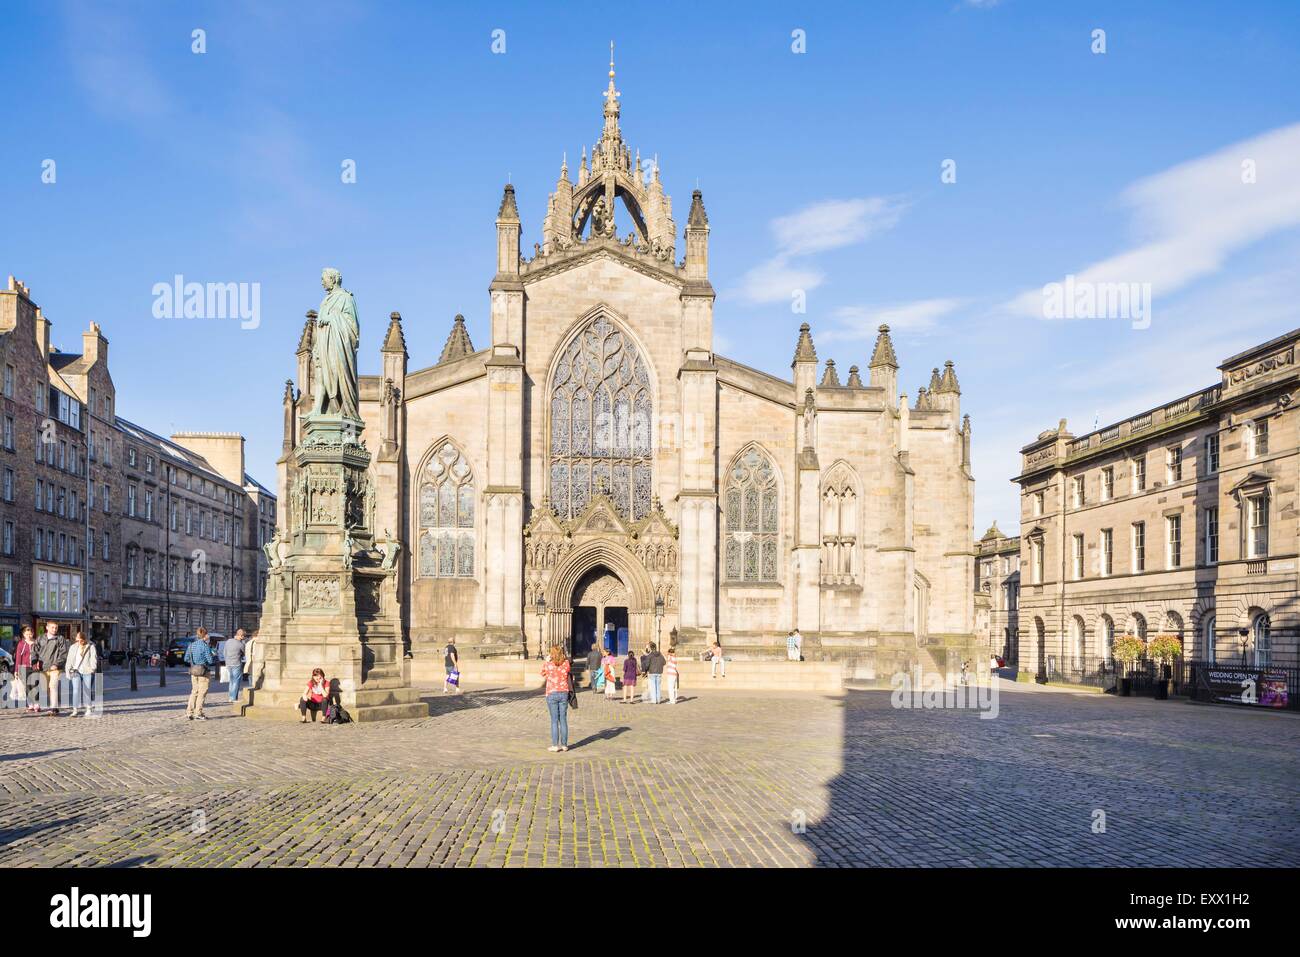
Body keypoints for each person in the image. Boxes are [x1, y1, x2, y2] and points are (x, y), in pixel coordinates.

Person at [540, 645, 571, 752]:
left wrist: (547, 661)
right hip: (563, 693)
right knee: (563, 719)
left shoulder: (549, 665)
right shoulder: (566, 664)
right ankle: (564, 745)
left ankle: (555, 745)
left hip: (552, 693)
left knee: (554, 720)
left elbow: (542, 673)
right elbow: (568, 669)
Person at [35, 621, 70, 716]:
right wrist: (35, 661)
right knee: (47, 688)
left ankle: (53, 708)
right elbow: (34, 650)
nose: (54, 629)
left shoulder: (60, 639)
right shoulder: (40, 638)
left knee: (53, 686)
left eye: (56, 628)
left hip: (55, 668)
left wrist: (57, 664)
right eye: (52, 627)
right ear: (47, 627)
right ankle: (55, 705)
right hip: (43, 667)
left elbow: (63, 653)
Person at [183, 626, 215, 721]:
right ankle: (198, 713)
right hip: (203, 672)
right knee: (202, 692)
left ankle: (189, 712)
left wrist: (194, 662)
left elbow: (186, 659)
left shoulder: (191, 645)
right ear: (205, 635)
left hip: (194, 671)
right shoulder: (205, 646)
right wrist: (211, 654)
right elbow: (210, 660)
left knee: (194, 691)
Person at [66, 631, 99, 718]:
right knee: (75, 690)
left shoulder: (90, 646)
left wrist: (92, 668)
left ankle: (88, 708)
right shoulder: (72, 647)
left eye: (81, 640)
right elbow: (69, 660)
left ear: (84, 639)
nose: (79, 642)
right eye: (78, 639)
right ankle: (75, 710)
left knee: (86, 690)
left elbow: (94, 658)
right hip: (75, 671)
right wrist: (67, 671)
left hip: (87, 671)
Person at [14, 625, 39, 714]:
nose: (29, 635)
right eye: (27, 634)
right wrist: (16, 670)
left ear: (33, 634)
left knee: (35, 685)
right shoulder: (21, 644)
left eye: (30, 634)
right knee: (28, 687)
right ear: (24, 634)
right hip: (24, 668)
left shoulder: (36, 643)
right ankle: (30, 705)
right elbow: (18, 658)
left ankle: (36, 704)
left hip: (35, 667)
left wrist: (39, 662)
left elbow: (40, 654)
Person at [224, 629, 247, 705]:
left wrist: (227, 661)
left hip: (228, 663)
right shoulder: (240, 644)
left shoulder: (228, 641)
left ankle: (230, 697)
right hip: (236, 663)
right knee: (236, 681)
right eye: (243, 636)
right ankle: (233, 698)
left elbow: (224, 652)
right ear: (241, 635)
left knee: (231, 681)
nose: (244, 638)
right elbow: (244, 653)